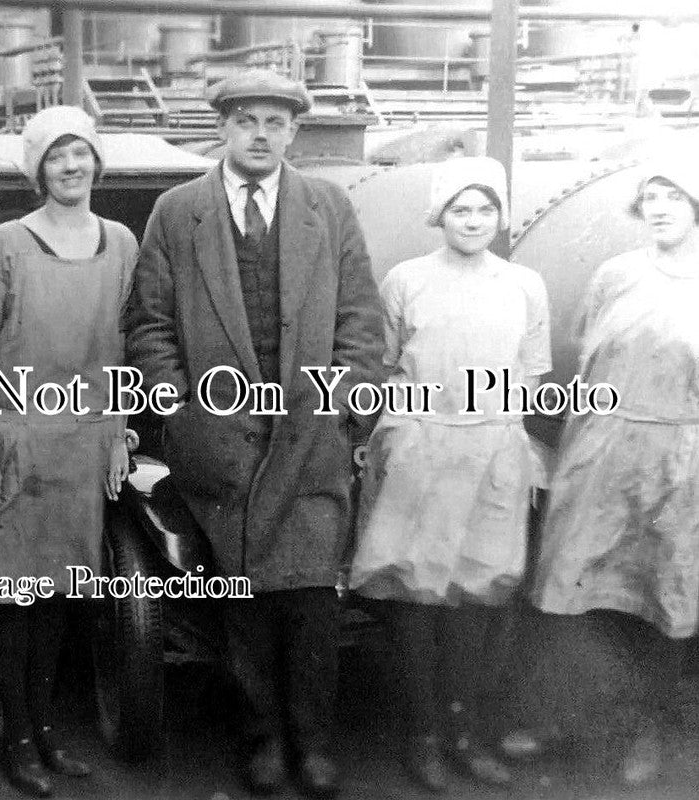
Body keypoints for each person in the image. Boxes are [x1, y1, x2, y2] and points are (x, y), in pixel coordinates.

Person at [125, 69, 384, 799]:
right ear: (224, 129)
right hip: (220, 435)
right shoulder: (177, 213)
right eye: (246, 121)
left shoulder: (327, 208)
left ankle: (313, 743)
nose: (260, 135)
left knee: (308, 600)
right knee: (244, 601)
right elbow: (148, 323)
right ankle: (262, 739)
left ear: (293, 132)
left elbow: (361, 321)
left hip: (308, 433)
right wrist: (179, 403)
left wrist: (345, 406)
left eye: (274, 122)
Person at [0, 105, 137, 798]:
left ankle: (45, 731)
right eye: (56, 155)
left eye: (81, 153)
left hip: (81, 446)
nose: (70, 166)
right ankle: (16, 738)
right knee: (13, 599)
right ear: (37, 169)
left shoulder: (120, 243)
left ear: (96, 164)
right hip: (15, 438)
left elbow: (119, 347)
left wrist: (117, 431)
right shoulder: (6, 242)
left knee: (57, 599)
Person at [348, 157, 551, 791]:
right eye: (461, 209)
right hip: (418, 447)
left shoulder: (524, 284)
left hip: (492, 449)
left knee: (480, 596)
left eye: (485, 209)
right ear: (440, 216)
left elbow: (531, 373)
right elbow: (381, 366)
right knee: (416, 598)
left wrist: (507, 438)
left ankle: (469, 733)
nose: (473, 221)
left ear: (501, 215)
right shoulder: (406, 280)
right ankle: (424, 738)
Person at [515, 162, 699, 787]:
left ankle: (643, 727)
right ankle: (573, 717)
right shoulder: (616, 275)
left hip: (681, 455)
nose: (662, 206)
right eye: (651, 196)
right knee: (577, 588)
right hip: (601, 444)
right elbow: (584, 351)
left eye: (675, 194)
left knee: (662, 596)